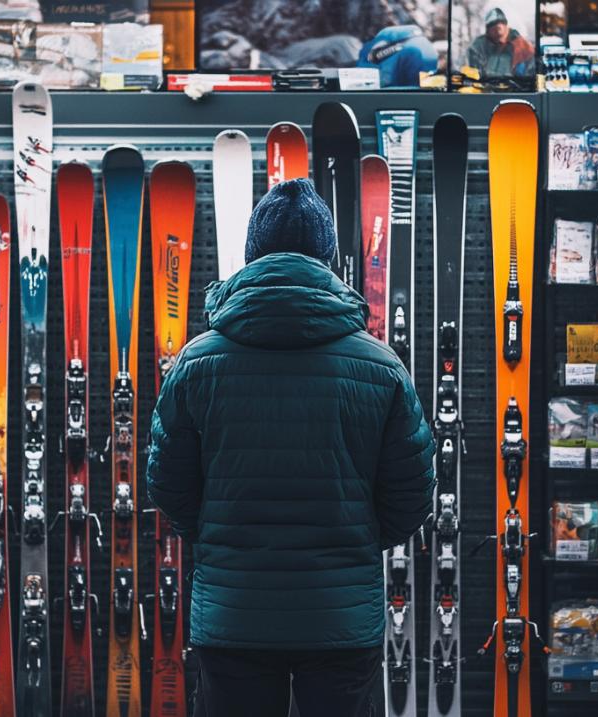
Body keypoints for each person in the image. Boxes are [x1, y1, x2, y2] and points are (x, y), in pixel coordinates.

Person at [147, 178, 436, 717]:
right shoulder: (381, 368)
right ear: (330, 258)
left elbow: (167, 484)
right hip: (340, 619)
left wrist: (218, 534)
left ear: (251, 254)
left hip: (234, 618)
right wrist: (356, 538)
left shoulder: (197, 362)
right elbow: (413, 496)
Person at [463, 7, 536, 78]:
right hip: (485, 86)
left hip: (515, 87)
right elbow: (473, 72)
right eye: (493, 24)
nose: (497, 26)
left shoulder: (522, 46)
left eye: (501, 22)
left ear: (506, 26)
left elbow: (531, 72)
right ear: (488, 31)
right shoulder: (479, 45)